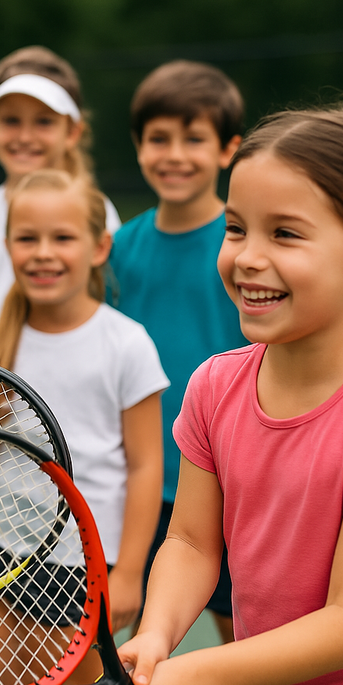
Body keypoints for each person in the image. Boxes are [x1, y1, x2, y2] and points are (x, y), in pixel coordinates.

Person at [119, 104, 343, 685]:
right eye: (236, 228)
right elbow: (192, 542)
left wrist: (198, 674)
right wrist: (156, 636)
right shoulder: (213, 387)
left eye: (284, 233)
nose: (249, 256)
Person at [0, 169, 166, 685]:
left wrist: (128, 572)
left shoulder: (126, 344)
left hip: (86, 564)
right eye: (27, 238)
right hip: (4, 558)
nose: (43, 253)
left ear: (99, 246)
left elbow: (147, 466)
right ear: (8, 245)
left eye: (62, 238)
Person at [108, 60, 245, 644]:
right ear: (138, 147)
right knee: (126, 641)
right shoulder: (118, 249)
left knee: (244, 636)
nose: (175, 154)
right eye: (159, 139)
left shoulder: (244, 248)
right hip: (137, 489)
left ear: (228, 149)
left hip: (231, 483)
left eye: (194, 139)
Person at [0, 46, 121, 362]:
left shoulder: (100, 215)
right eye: (11, 120)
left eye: (44, 122)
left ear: (73, 131)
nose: (25, 136)